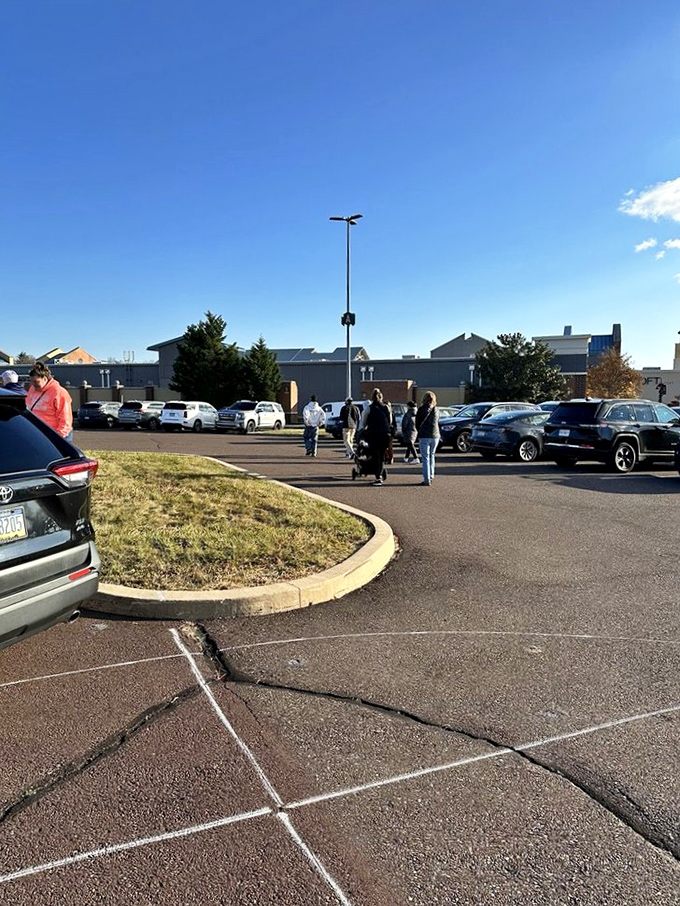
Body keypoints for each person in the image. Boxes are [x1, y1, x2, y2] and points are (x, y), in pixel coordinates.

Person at [25, 363, 74, 441]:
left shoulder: (59, 392)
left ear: (45, 379)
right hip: (38, 433)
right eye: (32, 382)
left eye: (36, 382)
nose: (33, 384)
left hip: (55, 435)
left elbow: (65, 419)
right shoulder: (32, 389)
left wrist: (57, 438)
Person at [360, 388, 392, 485]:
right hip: (385, 434)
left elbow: (363, 422)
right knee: (381, 455)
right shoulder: (386, 407)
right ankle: (380, 473)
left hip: (373, 434)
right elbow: (390, 421)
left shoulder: (369, 408)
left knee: (375, 455)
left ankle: (378, 476)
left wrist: (363, 429)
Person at [415, 391, 440, 486]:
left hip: (424, 436)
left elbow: (417, 423)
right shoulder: (436, 410)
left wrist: (419, 431)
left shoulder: (421, 409)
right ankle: (431, 475)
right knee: (432, 455)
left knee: (425, 458)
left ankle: (426, 479)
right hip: (435, 435)